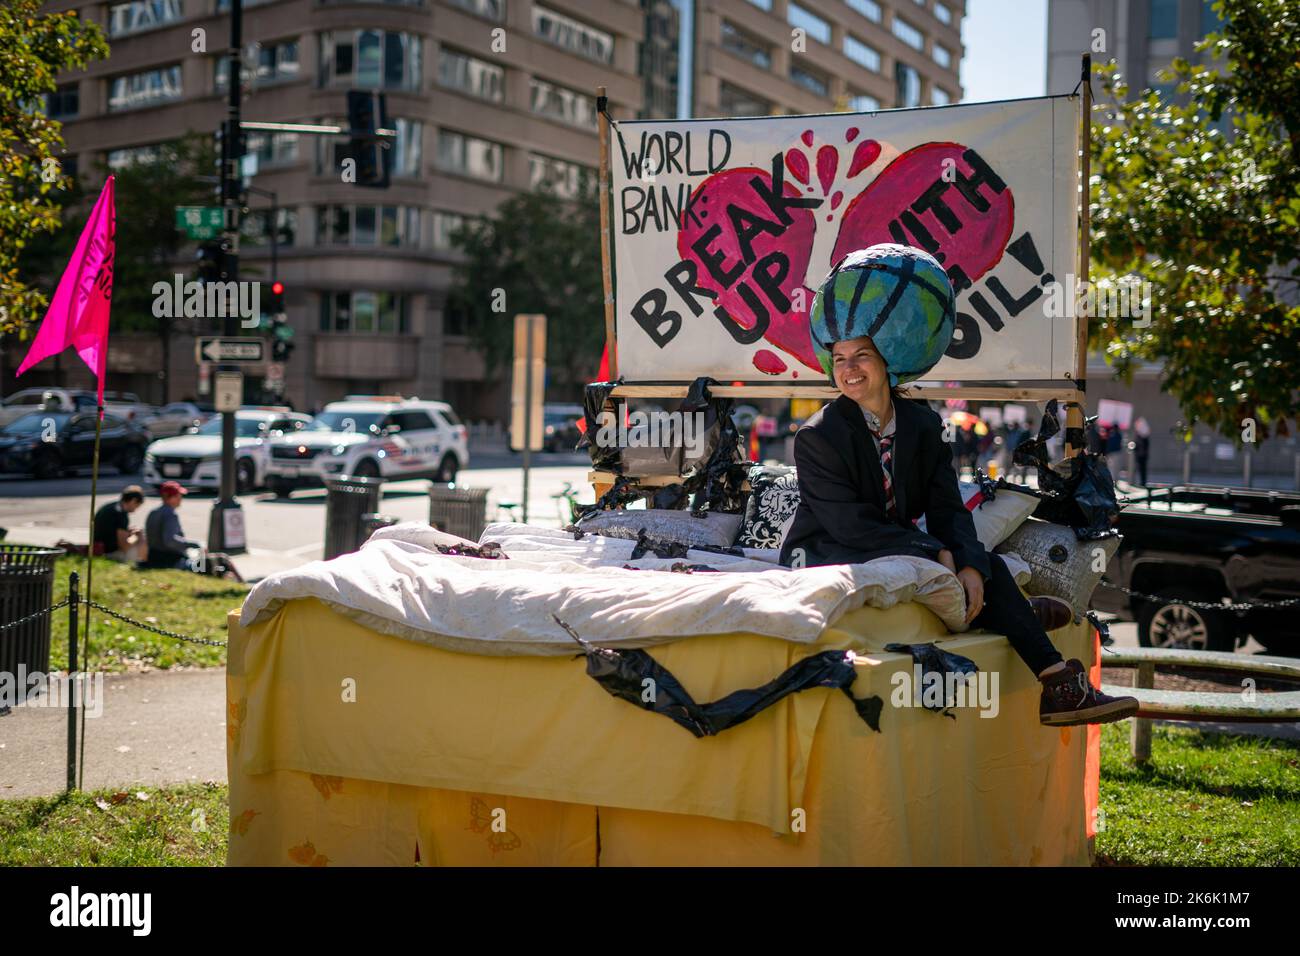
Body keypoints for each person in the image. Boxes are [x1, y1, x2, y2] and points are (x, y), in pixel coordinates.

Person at [779, 243, 1138, 727]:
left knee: (986, 564)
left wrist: (966, 561)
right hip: (830, 550)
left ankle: (1057, 685)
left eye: (861, 355)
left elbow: (948, 508)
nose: (848, 369)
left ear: (888, 359)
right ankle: (1025, 623)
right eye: (839, 358)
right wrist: (932, 552)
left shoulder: (923, 426)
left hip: (895, 546)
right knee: (950, 569)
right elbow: (849, 523)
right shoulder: (818, 435)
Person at [143, 480, 202, 571]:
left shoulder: (153, 512)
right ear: (170, 497)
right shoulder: (170, 514)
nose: (181, 498)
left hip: (153, 556)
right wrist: (193, 544)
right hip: (170, 560)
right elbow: (170, 540)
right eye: (178, 495)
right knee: (206, 564)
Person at [93, 485, 145, 562]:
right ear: (133, 500)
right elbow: (124, 546)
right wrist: (136, 536)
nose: (135, 510)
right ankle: (144, 566)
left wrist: (127, 532)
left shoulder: (109, 507)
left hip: (98, 548)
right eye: (137, 506)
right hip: (110, 553)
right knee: (143, 543)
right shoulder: (121, 515)